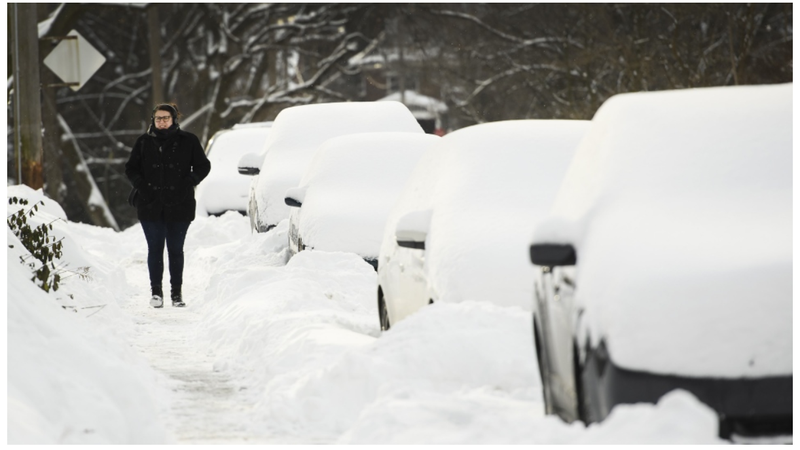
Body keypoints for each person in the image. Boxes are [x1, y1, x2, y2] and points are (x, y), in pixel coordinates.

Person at [125, 103, 211, 308]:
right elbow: (130, 168)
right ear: (153, 120)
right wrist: (142, 186)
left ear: (174, 120)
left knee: (175, 249)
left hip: (180, 204)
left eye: (166, 118)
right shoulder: (143, 142)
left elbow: (203, 165)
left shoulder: (188, 140)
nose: (162, 122)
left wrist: (189, 182)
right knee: (154, 249)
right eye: (158, 118)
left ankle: (176, 294)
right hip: (149, 204)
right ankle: (156, 293)